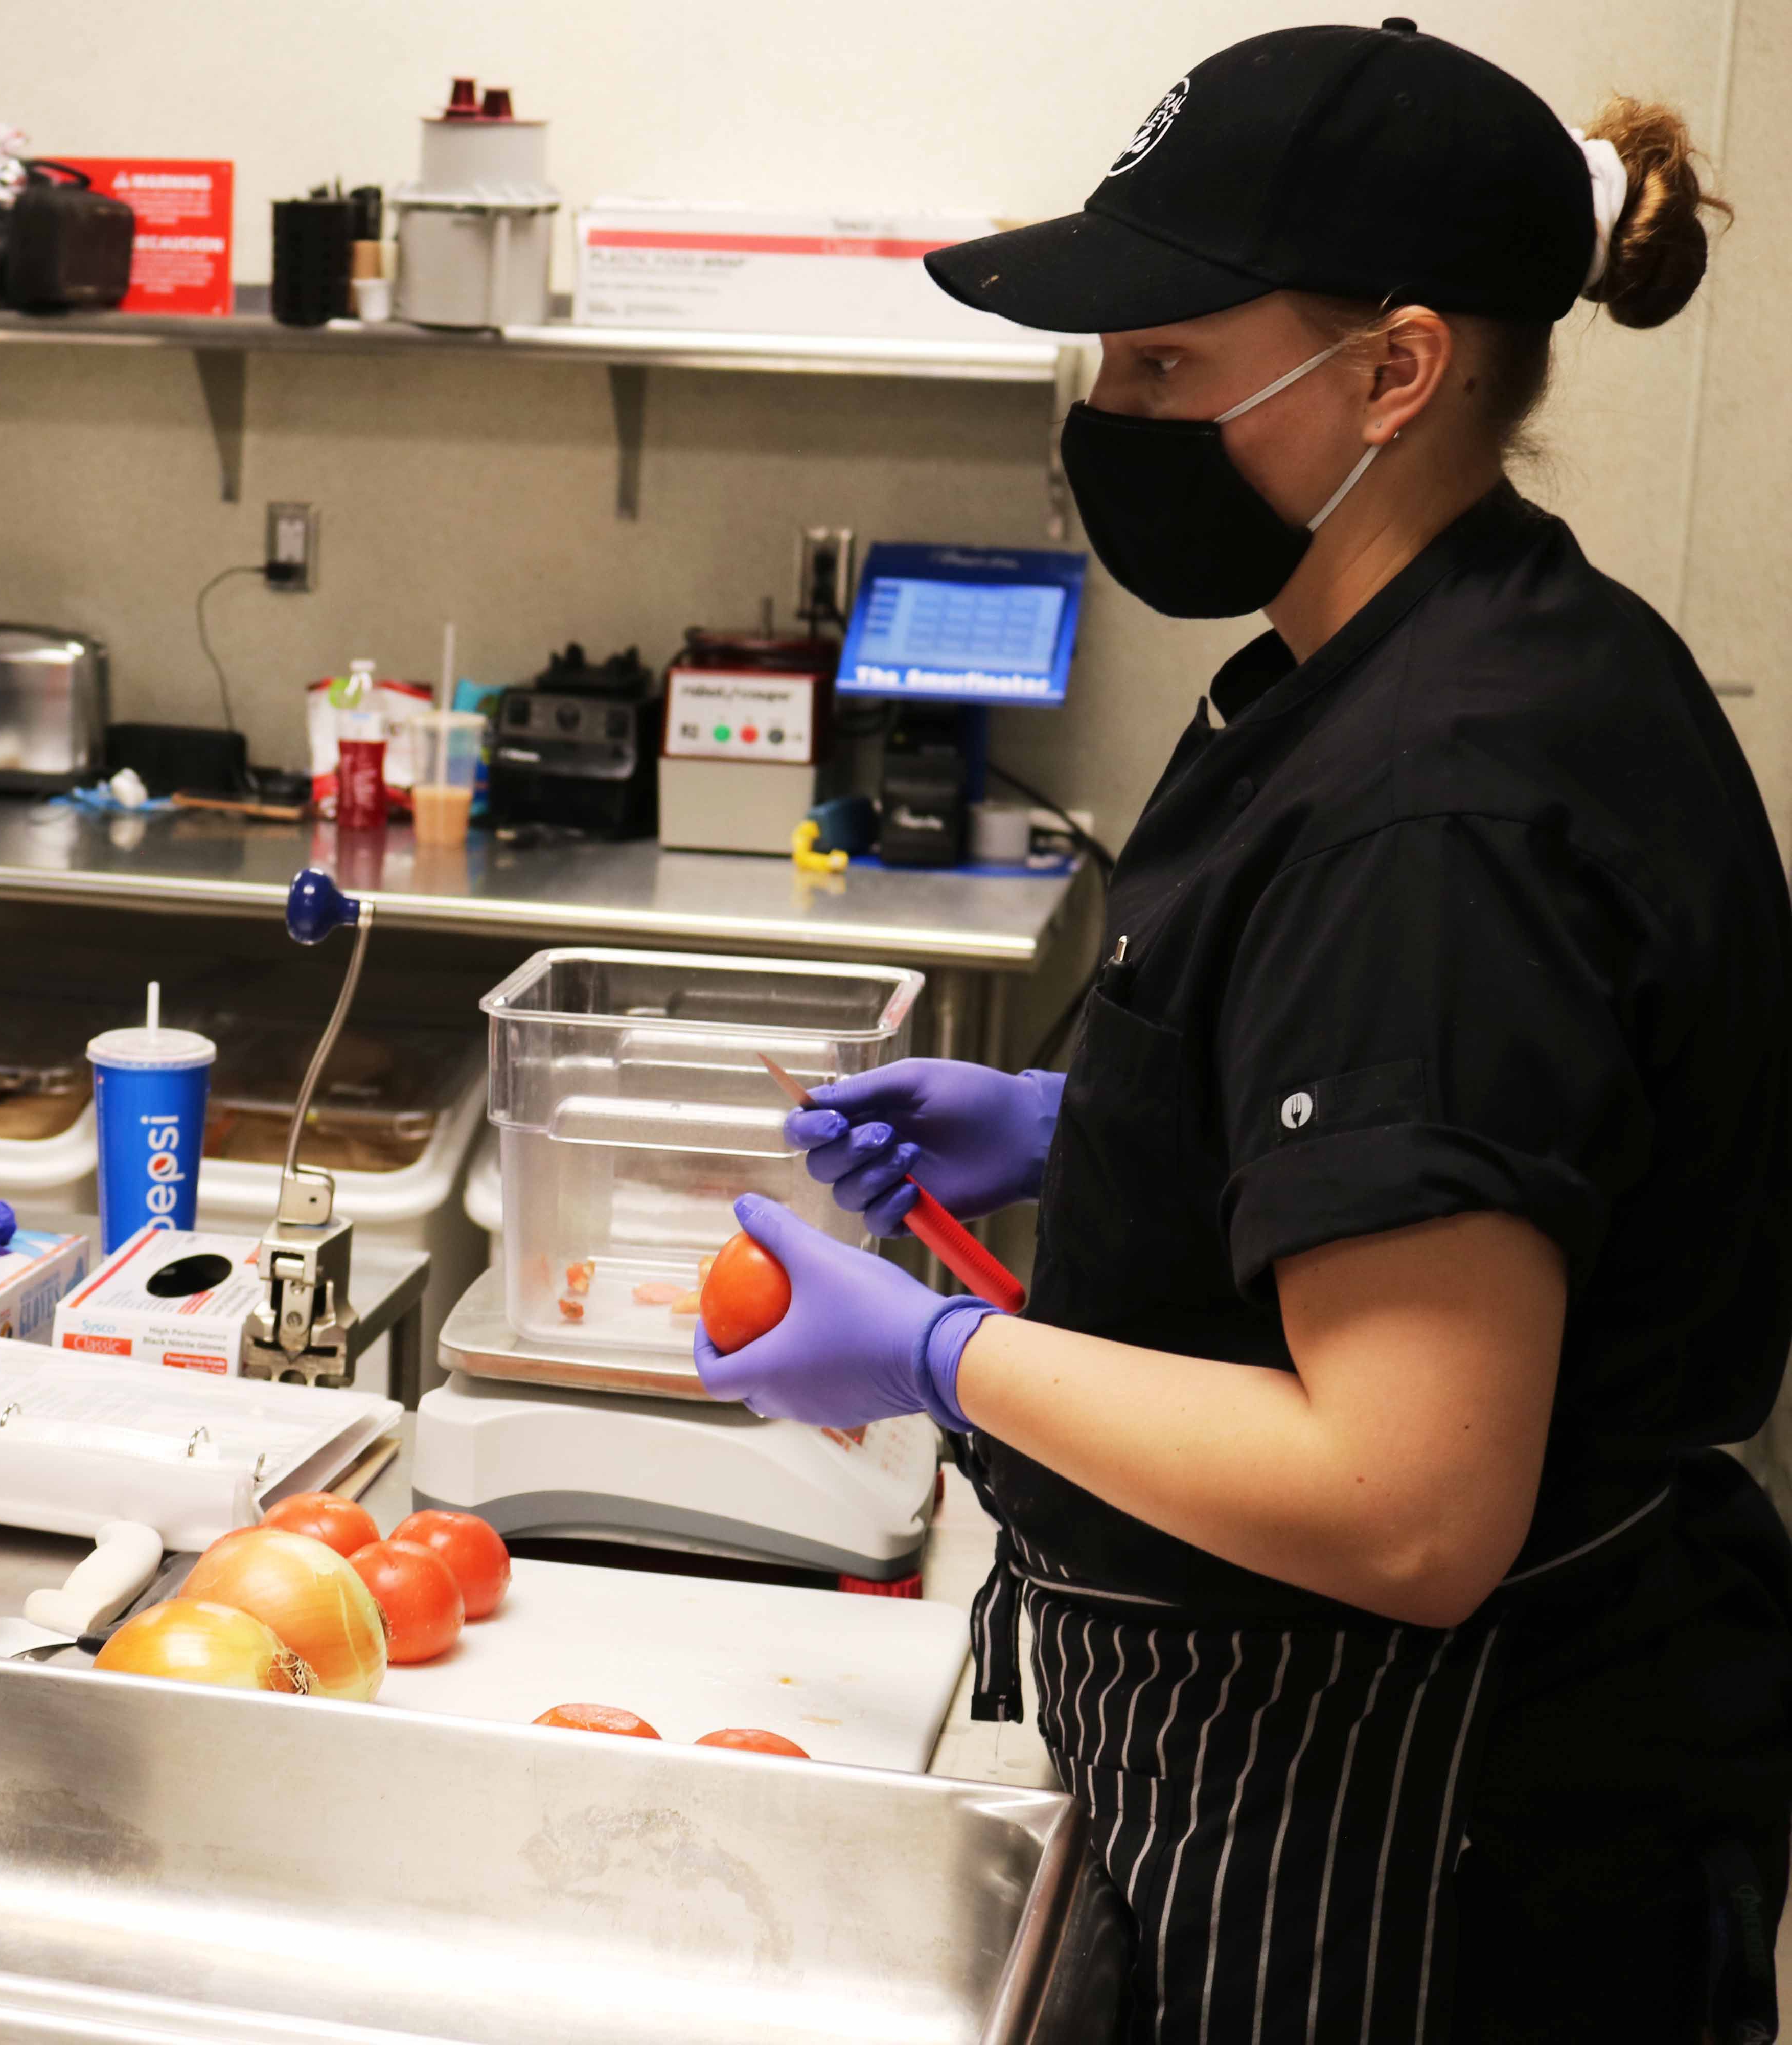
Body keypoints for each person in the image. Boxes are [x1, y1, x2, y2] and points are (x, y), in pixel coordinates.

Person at [695, 21, 1792, 2042]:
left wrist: (940, 1348)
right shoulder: (1435, 650)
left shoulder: (1438, 803)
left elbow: (1406, 1499)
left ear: (1398, 368)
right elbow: (1444, 1133)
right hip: (1343, 1763)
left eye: (1168, 367)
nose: (1105, 420)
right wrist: (1078, 1118)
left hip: (1415, 1824)